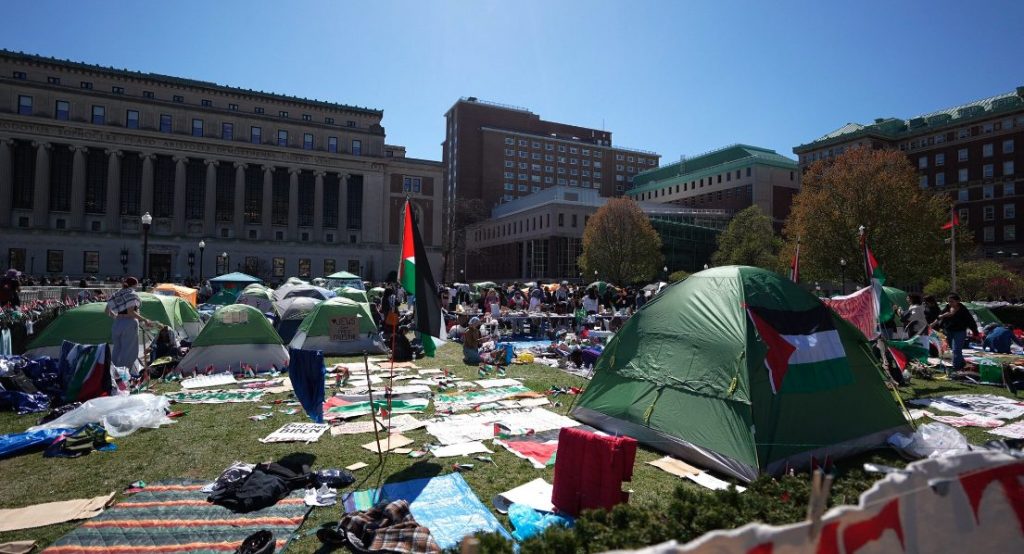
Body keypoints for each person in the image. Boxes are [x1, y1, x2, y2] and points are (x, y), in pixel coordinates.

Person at [106, 277, 151, 371]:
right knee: (129, 349)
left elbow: (107, 311)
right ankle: (126, 372)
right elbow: (131, 312)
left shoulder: (116, 294)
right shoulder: (132, 294)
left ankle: (113, 371)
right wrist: (145, 320)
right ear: (135, 284)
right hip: (129, 323)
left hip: (117, 323)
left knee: (117, 348)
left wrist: (117, 317)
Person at [936, 293, 978, 372]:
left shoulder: (963, 310)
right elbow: (939, 316)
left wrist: (975, 331)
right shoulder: (947, 307)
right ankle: (962, 364)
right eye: (948, 301)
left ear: (957, 301)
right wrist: (944, 316)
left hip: (960, 331)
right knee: (954, 350)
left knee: (956, 350)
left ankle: (956, 368)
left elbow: (970, 321)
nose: (950, 303)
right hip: (949, 331)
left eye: (952, 301)